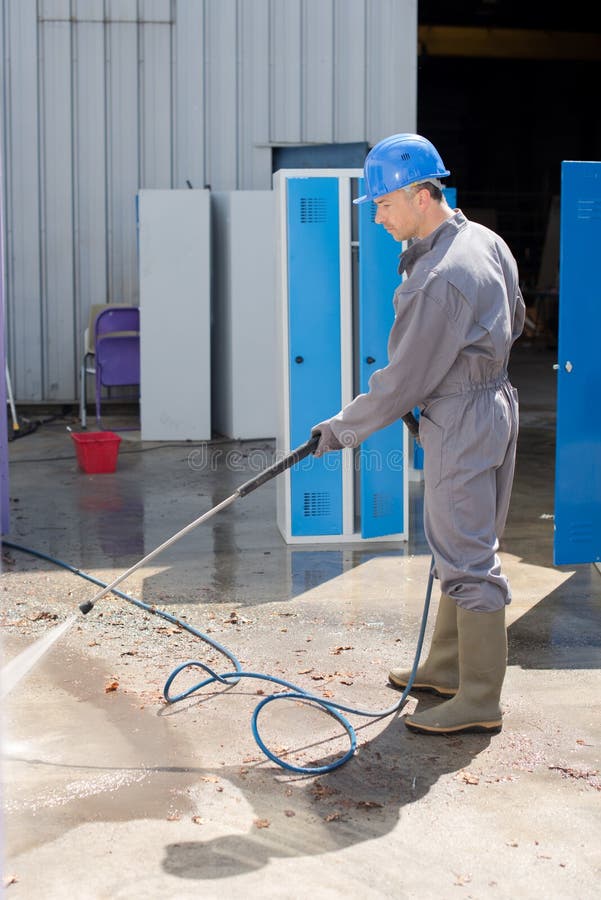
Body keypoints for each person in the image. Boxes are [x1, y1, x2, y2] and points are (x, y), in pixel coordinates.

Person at [311, 133, 525, 736]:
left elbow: (401, 381)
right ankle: (447, 667)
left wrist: (340, 431)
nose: (377, 217)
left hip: (461, 418)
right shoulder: (485, 241)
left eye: (383, 204)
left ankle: (479, 698)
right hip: (493, 404)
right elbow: (515, 317)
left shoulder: (436, 278)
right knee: (460, 539)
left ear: (420, 196)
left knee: (469, 557)